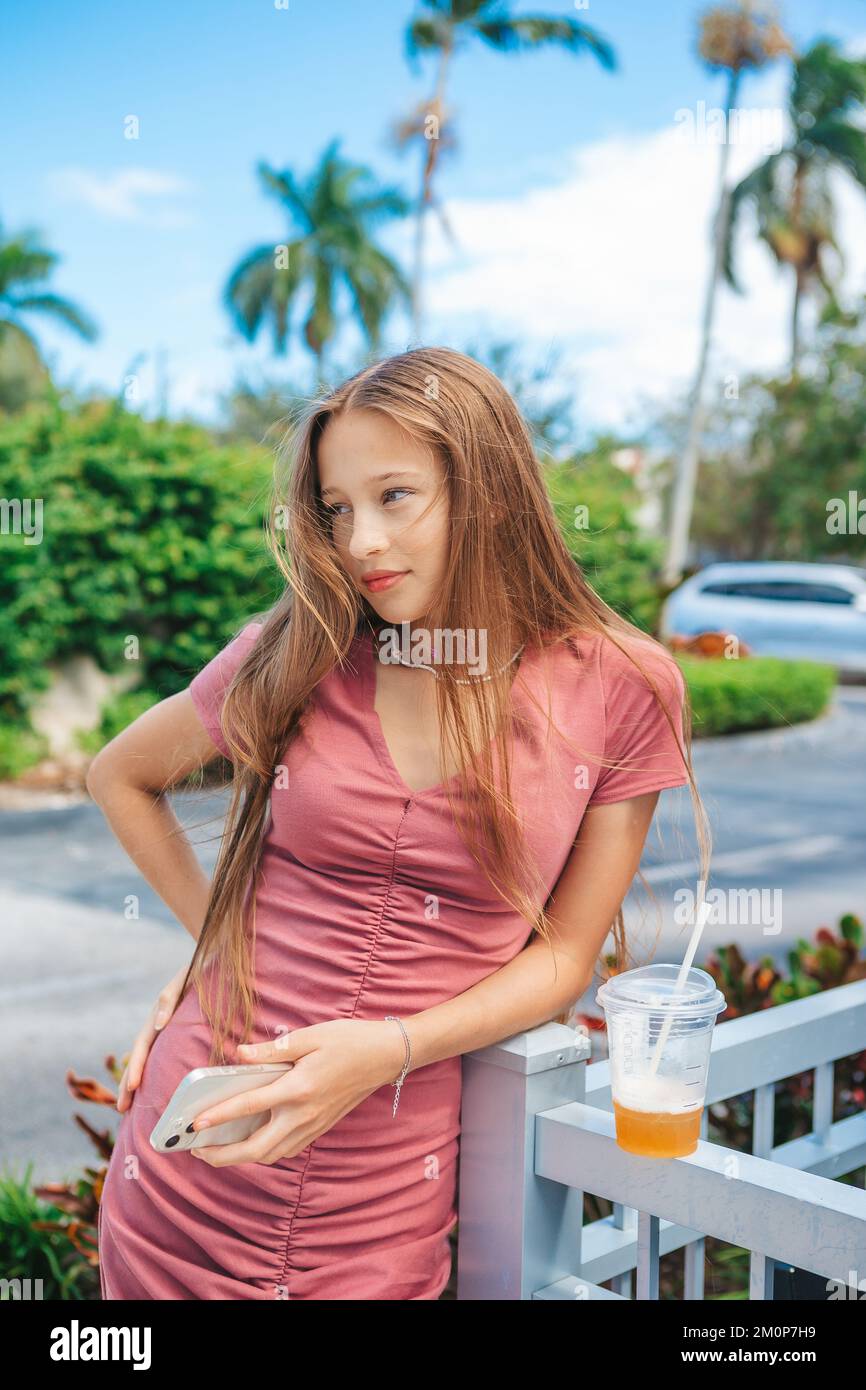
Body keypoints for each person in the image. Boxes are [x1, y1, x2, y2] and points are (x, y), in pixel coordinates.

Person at [89, 346, 706, 1301]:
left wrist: (393, 1048)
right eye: (337, 510)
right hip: (188, 1172)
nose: (361, 541)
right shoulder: (302, 649)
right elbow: (119, 773)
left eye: (395, 496)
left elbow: (564, 960)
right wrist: (219, 949)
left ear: (490, 491)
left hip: (381, 1196)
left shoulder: (621, 686)